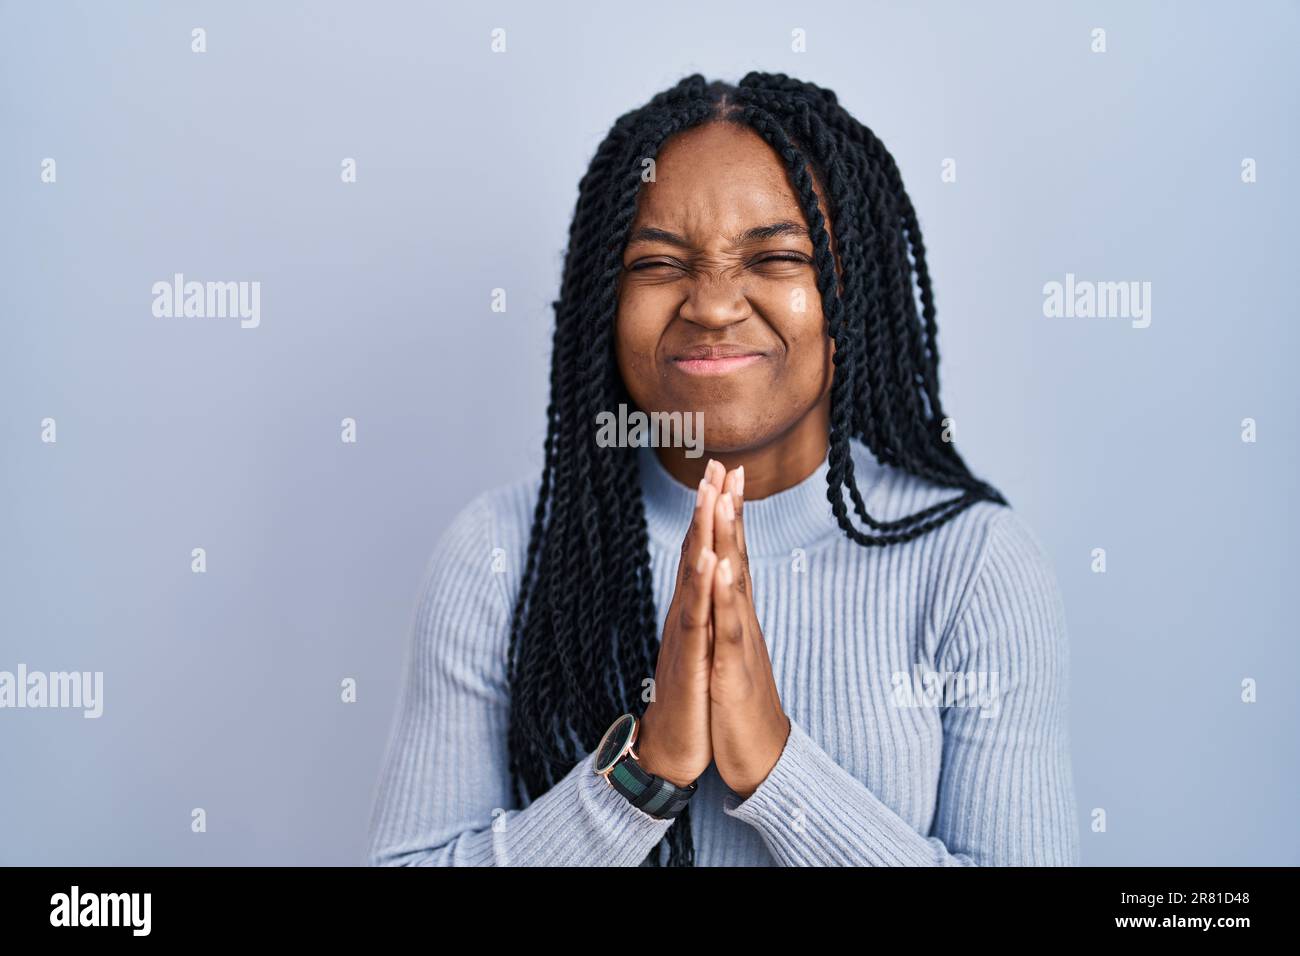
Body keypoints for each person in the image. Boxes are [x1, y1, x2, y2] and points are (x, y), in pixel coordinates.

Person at [366, 73, 1080, 866]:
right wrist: (643, 775)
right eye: (659, 263)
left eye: (775, 255)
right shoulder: (501, 556)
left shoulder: (975, 565)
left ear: (854, 294)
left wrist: (775, 766)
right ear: (602, 298)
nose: (711, 304)